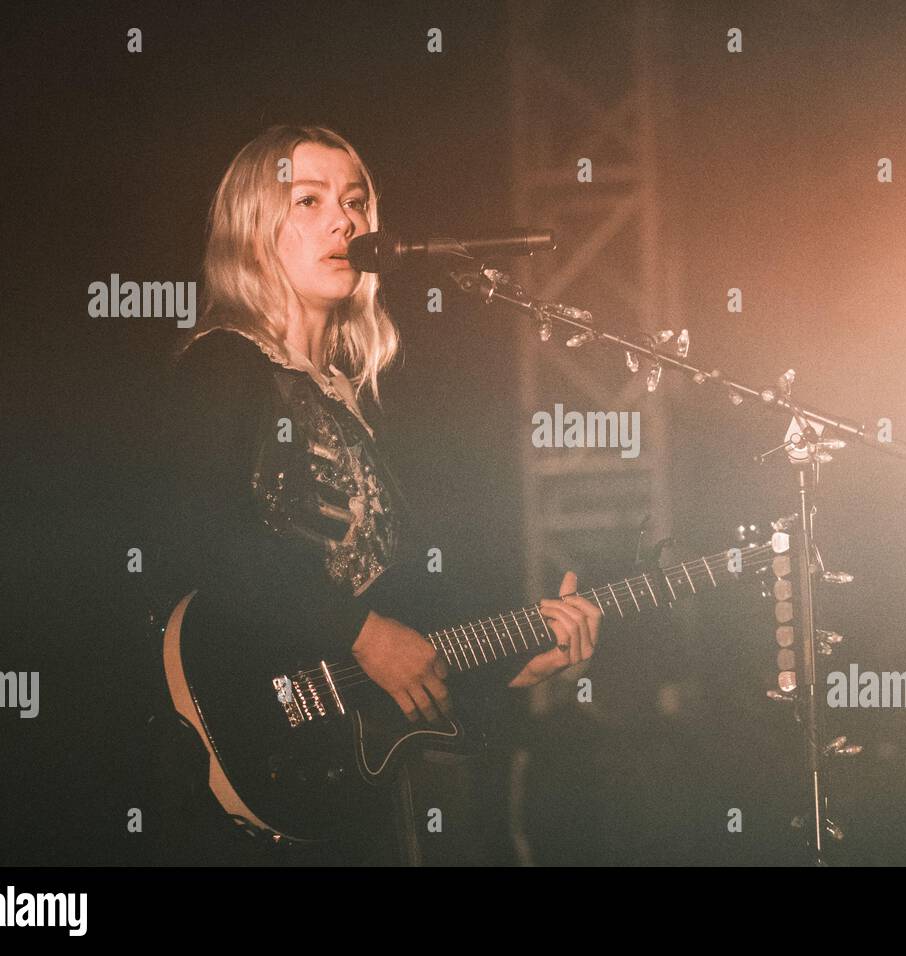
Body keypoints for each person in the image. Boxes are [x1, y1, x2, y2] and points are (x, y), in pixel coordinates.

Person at [149, 125, 602, 865]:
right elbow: (203, 537)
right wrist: (357, 630)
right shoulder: (225, 368)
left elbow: (407, 640)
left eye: (357, 202)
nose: (345, 221)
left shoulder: (355, 403)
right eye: (310, 200)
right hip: (224, 736)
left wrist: (515, 666)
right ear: (253, 229)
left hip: (339, 776)